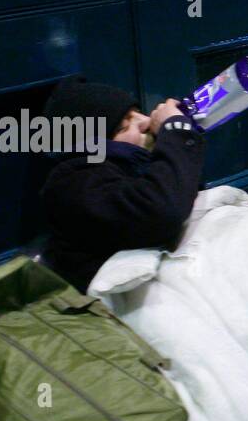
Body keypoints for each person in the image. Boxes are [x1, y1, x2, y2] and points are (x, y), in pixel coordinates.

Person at [38, 76, 205, 293]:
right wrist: (176, 132)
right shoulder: (74, 185)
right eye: (124, 125)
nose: (145, 121)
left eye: (137, 112)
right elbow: (162, 212)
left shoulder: (135, 163)